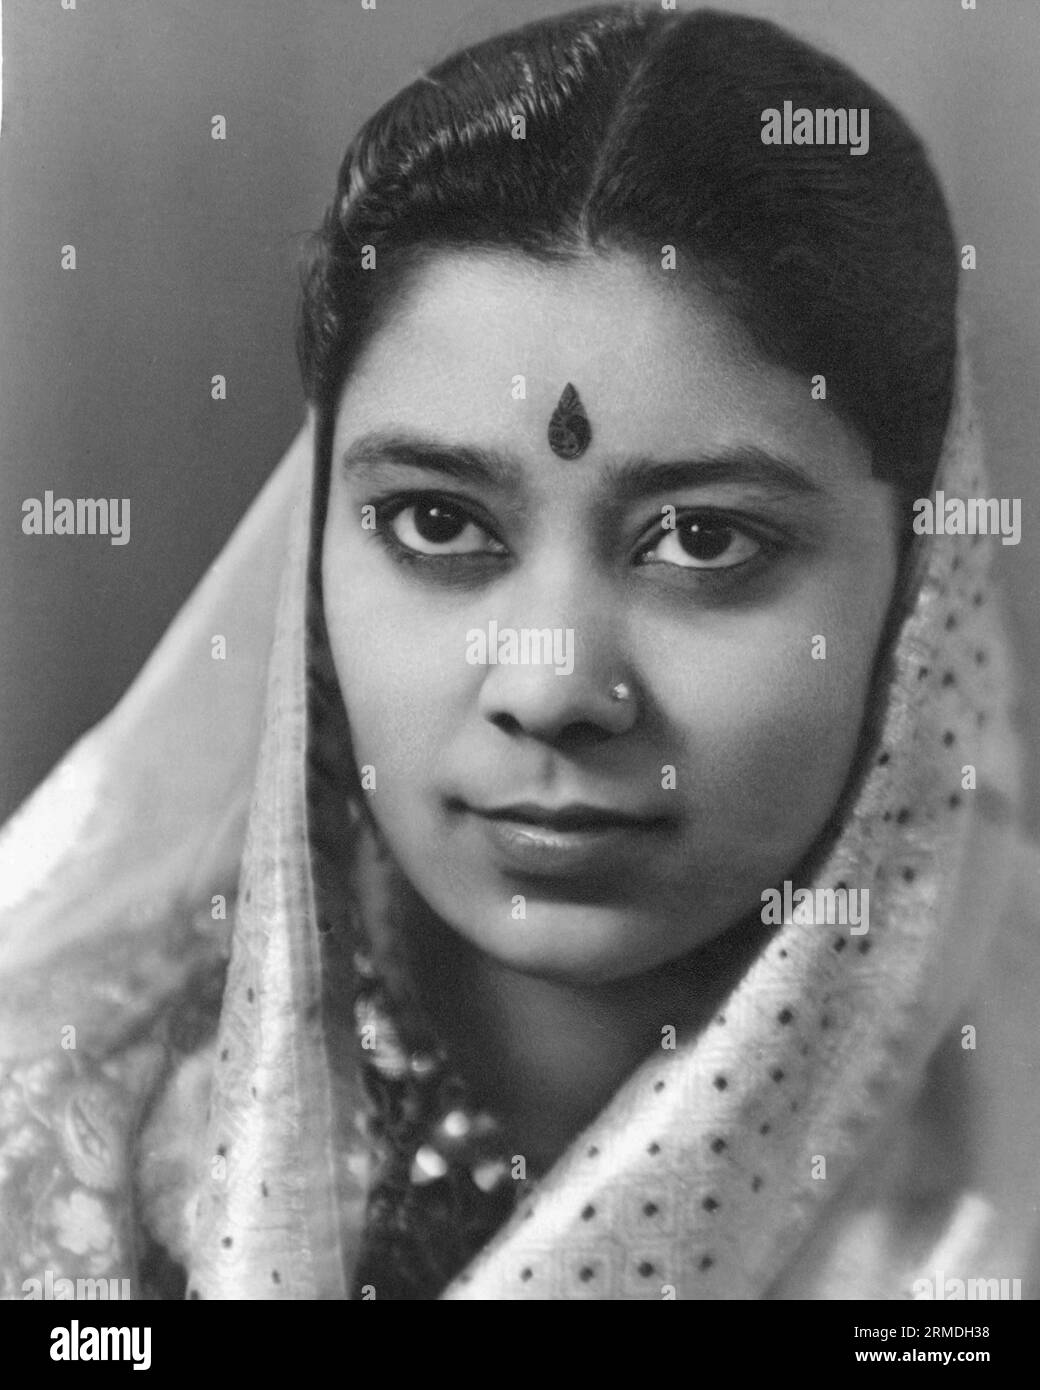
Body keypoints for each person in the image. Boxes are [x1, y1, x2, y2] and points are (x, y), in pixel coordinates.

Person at [1, 3, 1037, 1301]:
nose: (550, 688)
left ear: (919, 594)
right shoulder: (54, 1124)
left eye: (706, 540)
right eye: (439, 521)